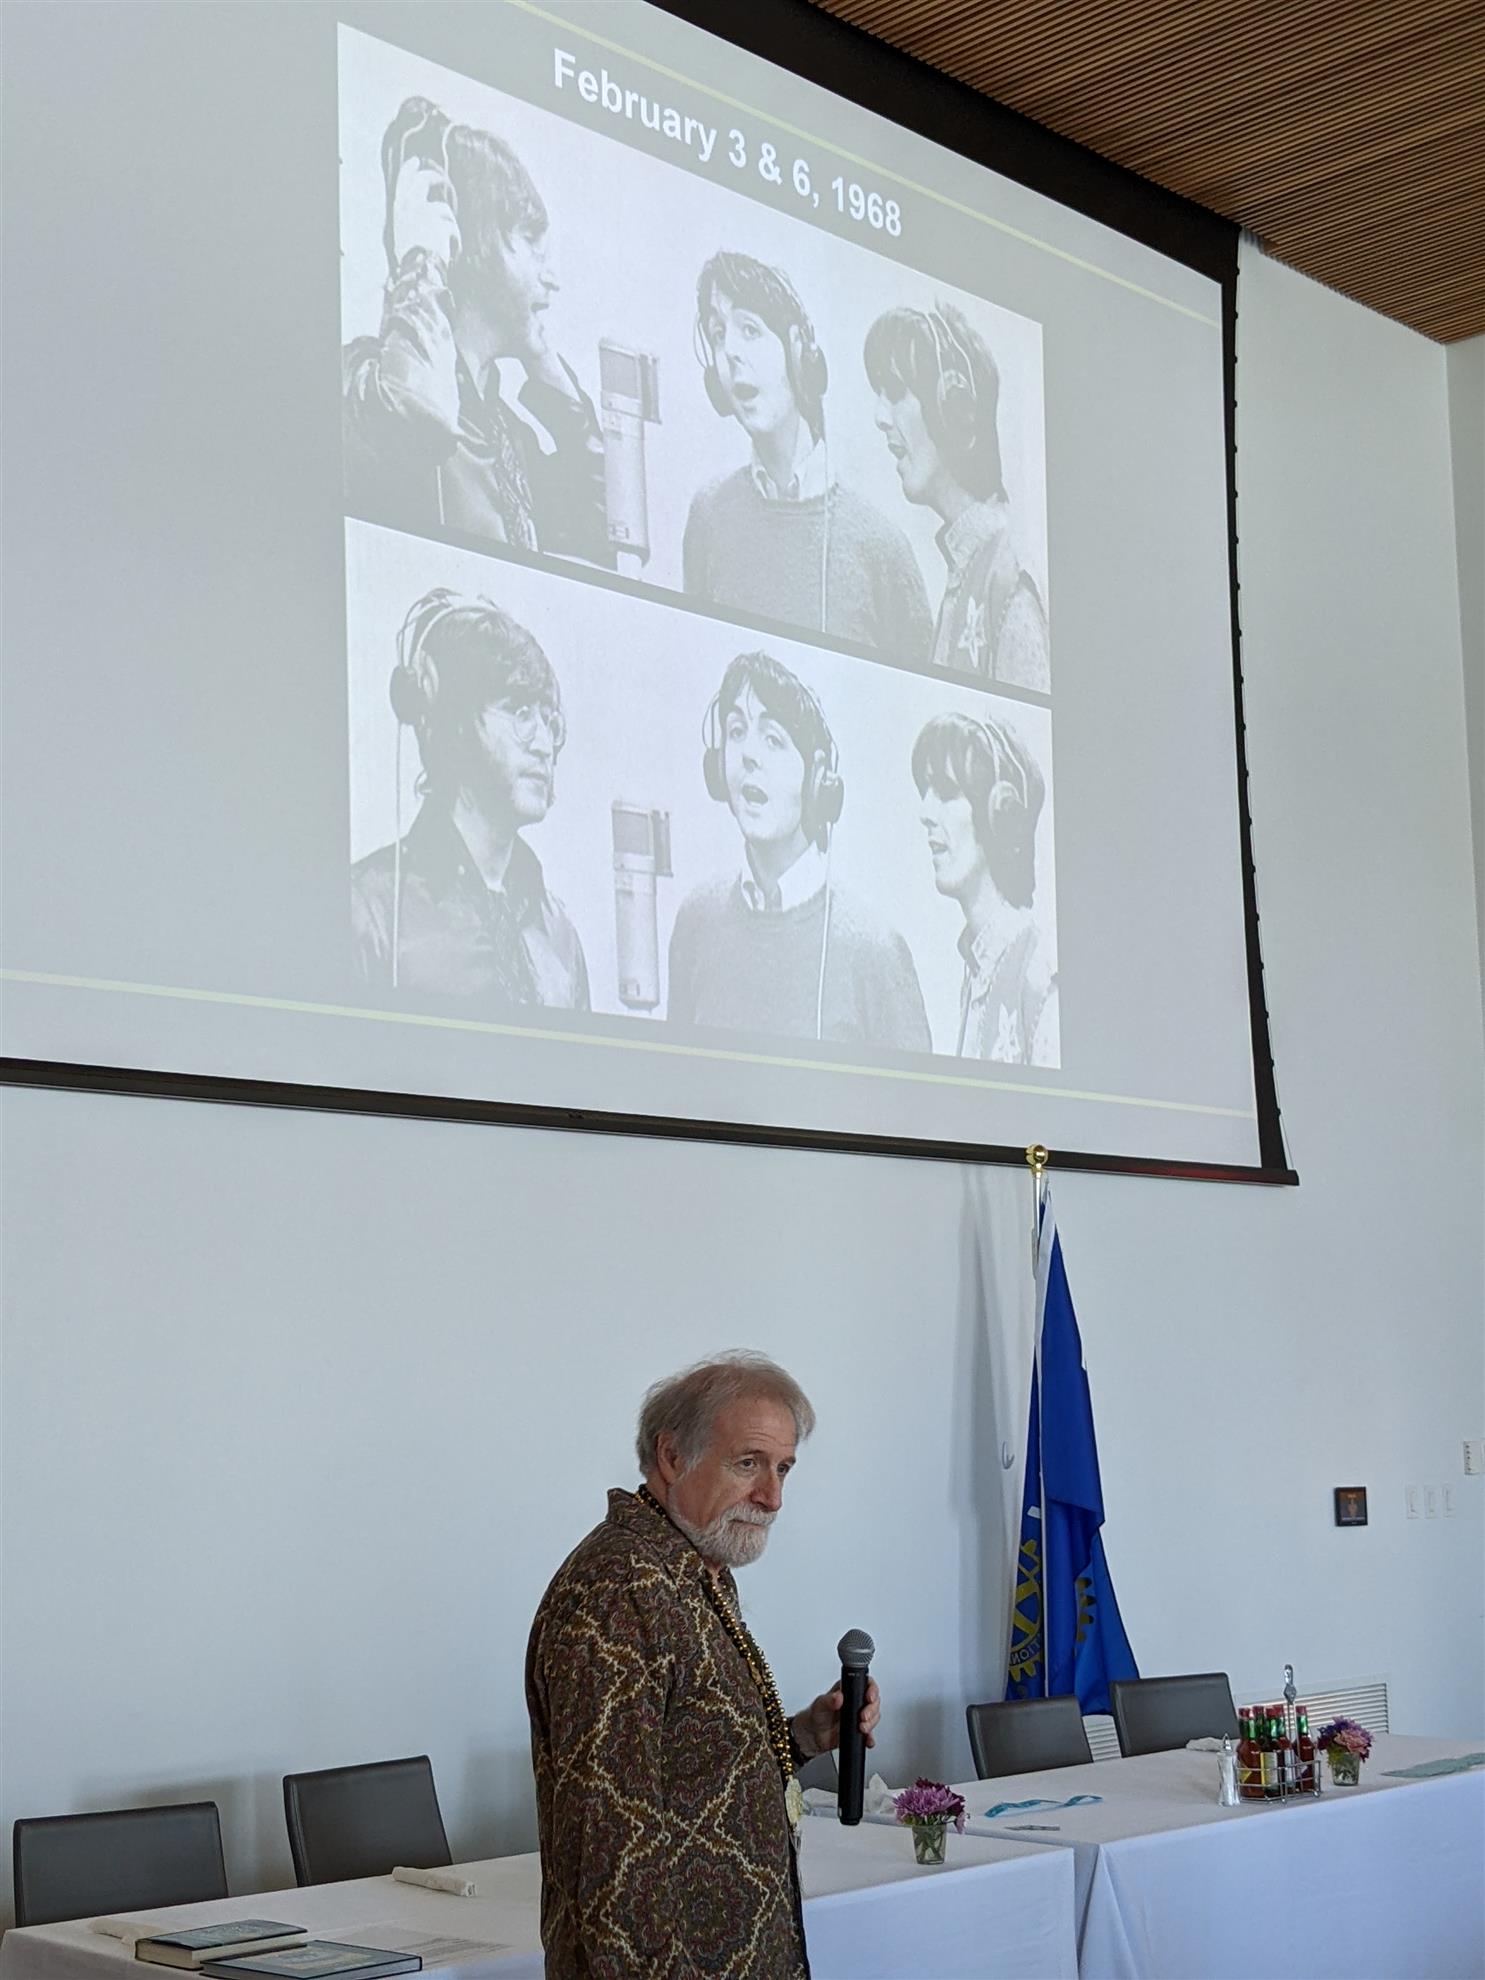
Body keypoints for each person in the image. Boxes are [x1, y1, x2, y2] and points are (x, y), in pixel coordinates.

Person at [526, 1352, 881, 1979]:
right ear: (670, 1457)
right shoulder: (621, 1593)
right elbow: (612, 1856)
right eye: (748, 1463)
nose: (771, 1497)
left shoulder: (693, 1571)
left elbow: (690, 1771)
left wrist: (801, 1736)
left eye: (783, 1469)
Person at [343, 96, 610, 562]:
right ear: (468, 235)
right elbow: (417, 420)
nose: (552, 278)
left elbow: (603, 531)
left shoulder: (511, 438)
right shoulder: (363, 381)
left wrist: (543, 360)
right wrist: (422, 263)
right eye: (532, 242)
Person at [667, 650, 930, 1050]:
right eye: (737, 731)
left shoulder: (874, 949)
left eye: (773, 739)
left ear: (818, 780)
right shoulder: (695, 921)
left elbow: (917, 1109)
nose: (748, 754)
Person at [683, 251, 932, 662]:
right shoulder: (709, 515)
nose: (729, 352)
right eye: (717, 334)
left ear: (800, 354)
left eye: (749, 329)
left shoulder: (882, 547)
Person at [351, 588, 589, 1010]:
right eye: (519, 711)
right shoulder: (368, 908)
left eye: (548, 719)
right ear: (452, 719)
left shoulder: (560, 931)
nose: (543, 744)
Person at [864, 302, 1050, 691]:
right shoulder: (973, 568)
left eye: (896, 393)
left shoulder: (1008, 581)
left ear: (956, 410)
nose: (880, 417)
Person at [911, 710, 1058, 1063]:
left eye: (946, 793)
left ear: (1000, 816)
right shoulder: (977, 967)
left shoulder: (1039, 976)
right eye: (925, 791)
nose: (925, 811)